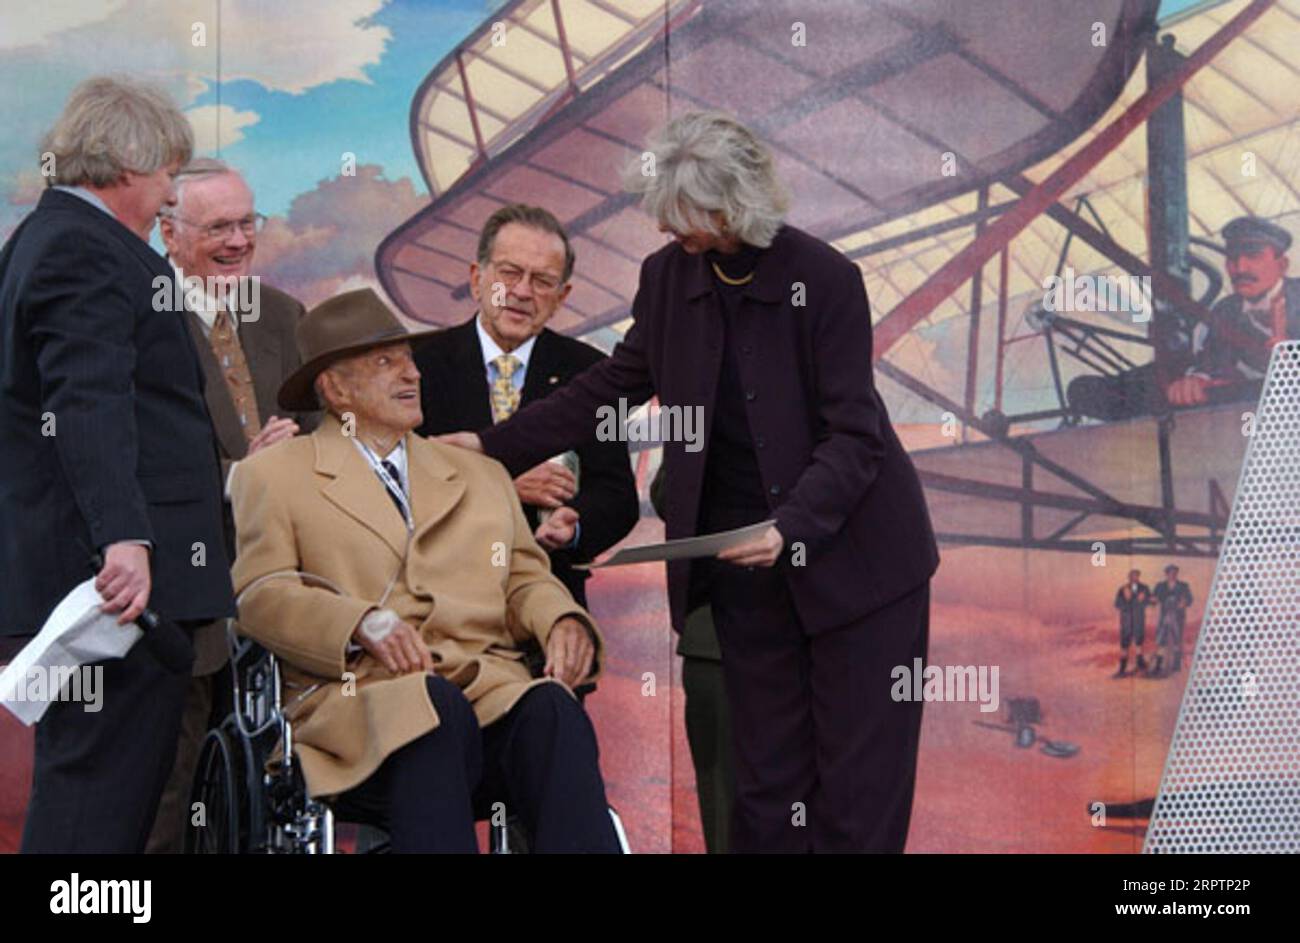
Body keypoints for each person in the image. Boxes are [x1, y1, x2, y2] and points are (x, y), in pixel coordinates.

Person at [442, 111, 940, 852]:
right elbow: (609, 385)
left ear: (739, 207)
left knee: (856, 795)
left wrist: (791, 527)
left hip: (857, 569)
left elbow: (855, 433)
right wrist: (487, 444)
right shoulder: (669, 276)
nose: (674, 234)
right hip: (743, 571)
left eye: (691, 219)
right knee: (766, 790)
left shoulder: (826, 279)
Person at [229, 288, 620, 852]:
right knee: (432, 712)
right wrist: (359, 621)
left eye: (408, 358)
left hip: (487, 693)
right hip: (358, 705)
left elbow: (524, 578)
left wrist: (561, 619)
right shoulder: (272, 476)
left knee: (552, 712)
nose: (411, 373)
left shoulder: (478, 473)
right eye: (384, 362)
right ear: (335, 388)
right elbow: (261, 594)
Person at [0, 76, 235, 852]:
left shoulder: (53, 237)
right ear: (127, 165)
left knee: (111, 804)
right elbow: (87, 402)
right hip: (110, 590)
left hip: (111, 586)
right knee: (95, 805)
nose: (171, 194)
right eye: (169, 172)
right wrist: (125, 539)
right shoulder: (80, 247)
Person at [146, 158, 318, 853]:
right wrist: (238, 473)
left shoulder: (284, 315)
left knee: (263, 799)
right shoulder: (139, 314)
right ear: (168, 231)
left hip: (280, 595)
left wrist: (293, 460)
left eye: (248, 223)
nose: (240, 240)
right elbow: (128, 451)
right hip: (176, 596)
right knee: (170, 787)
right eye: (219, 226)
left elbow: (326, 433)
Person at [414, 204, 638, 609]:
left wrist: (575, 525)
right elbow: (394, 485)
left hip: (551, 604)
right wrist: (505, 488)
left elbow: (617, 495)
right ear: (476, 278)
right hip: (439, 605)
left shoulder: (591, 373)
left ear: (561, 297)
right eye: (509, 273)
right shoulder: (417, 366)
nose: (521, 292)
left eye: (542, 281)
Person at [650, 462, 732, 854]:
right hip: (715, 639)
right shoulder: (704, 408)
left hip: (811, 641)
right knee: (726, 819)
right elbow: (669, 495)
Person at [1166, 216, 1299, 406]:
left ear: (1282, 265)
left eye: (1254, 256)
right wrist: (1197, 381)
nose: (1240, 268)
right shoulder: (1224, 312)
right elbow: (1212, 363)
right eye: (1232, 259)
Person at [1152, 564, 1193, 677]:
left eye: (1175, 573)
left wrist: (1184, 603)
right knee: (1161, 640)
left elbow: (1190, 599)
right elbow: (1153, 599)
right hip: (1165, 616)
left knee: (1176, 639)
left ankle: (1176, 664)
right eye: (1170, 573)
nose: (1173, 575)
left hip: (1178, 616)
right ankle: (1158, 664)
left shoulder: (1183, 586)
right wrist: (1153, 600)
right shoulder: (1160, 586)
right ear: (1166, 574)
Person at [1112, 569, 1152, 678]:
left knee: (1139, 641)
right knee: (1125, 643)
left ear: (1139, 577)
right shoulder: (1122, 589)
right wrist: (1126, 600)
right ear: (1129, 577)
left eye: (1136, 576)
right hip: (1127, 621)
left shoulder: (1144, 588)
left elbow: (1151, 601)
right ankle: (1122, 668)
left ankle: (1140, 664)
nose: (1134, 578)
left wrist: (1143, 600)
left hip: (1139, 619)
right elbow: (1117, 604)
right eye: (1132, 576)